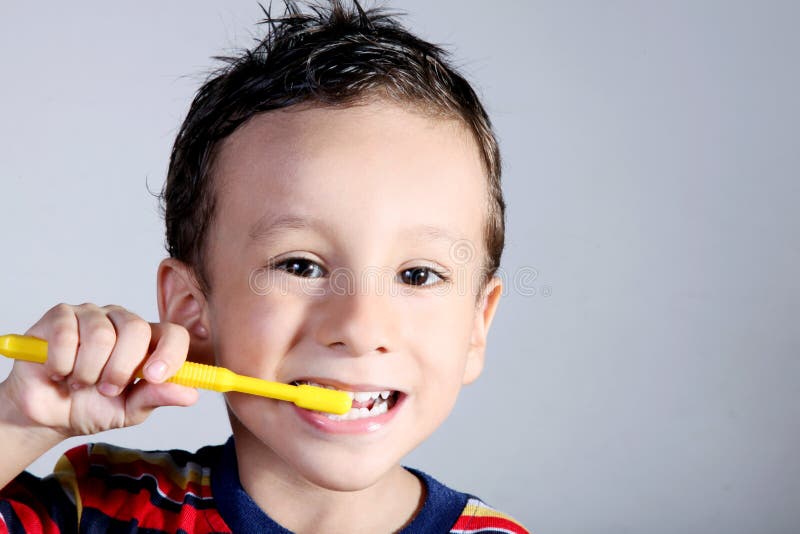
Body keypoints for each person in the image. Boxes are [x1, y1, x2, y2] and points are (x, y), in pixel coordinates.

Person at [0, 1, 528, 532]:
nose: (361, 329)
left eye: (417, 275)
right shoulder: (99, 510)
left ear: (476, 331)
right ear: (192, 310)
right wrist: (19, 422)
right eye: (300, 266)